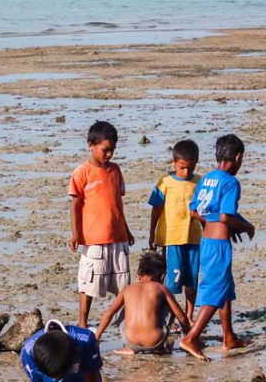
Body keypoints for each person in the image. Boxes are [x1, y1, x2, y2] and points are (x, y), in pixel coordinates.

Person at [177, 135, 255, 361]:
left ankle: (228, 336)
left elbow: (195, 210)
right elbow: (225, 215)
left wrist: (218, 223)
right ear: (238, 157)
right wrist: (245, 225)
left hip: (207, 241)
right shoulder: (231, 182)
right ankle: (191, 338)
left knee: (225, 288)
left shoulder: (207, 178)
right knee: (215, 291)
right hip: (219, 245)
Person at [69, 120, 134, 328]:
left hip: (118, 237)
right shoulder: (82, 172)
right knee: (88, 284)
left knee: (124, 284)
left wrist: (127, 229)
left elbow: (117, 203)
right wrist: (76, 234)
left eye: (112, 150)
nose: (109, 155)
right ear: (91, 145)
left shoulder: (115, 171)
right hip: (94, 239)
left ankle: (125, 325)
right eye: (105, 150)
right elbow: (76, 205)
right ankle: (83, 323)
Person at [93, 251, 191, 355]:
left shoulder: (127, 289)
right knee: (169, 303)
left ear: (139, 274)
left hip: (130, 341)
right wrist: (190, 337)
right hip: (155, 341)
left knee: (121, 308)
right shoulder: (161, 288)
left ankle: (127, 348)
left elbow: (109, 314)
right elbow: (182, 318)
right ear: (162, 277)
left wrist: (96, 337)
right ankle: (159, 348)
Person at [147, 139, 203, 317]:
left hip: (193, 238)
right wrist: (152, 234)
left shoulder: (199, 182)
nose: (186, 172)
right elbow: (156, 210)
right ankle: (171, 317)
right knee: (172, 281)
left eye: (190, 168)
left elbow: (203, 212)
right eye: (182, 167)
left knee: (192, 281)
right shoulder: (165, 183)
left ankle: (189, 315)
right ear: (174, 163)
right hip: (172, 239)